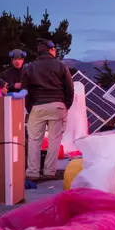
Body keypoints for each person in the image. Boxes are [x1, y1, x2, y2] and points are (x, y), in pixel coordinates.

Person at [22, 38, 74, 181]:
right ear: (51, 49)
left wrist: (30, 107)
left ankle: (32, 172)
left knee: (34, 140)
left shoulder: (30, 67)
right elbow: (69, 88)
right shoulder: (60, 66)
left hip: (37, 106)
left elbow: (25, 90)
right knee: (54, 140)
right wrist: (66, 105)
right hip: (57, 105)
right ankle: (49, 171)